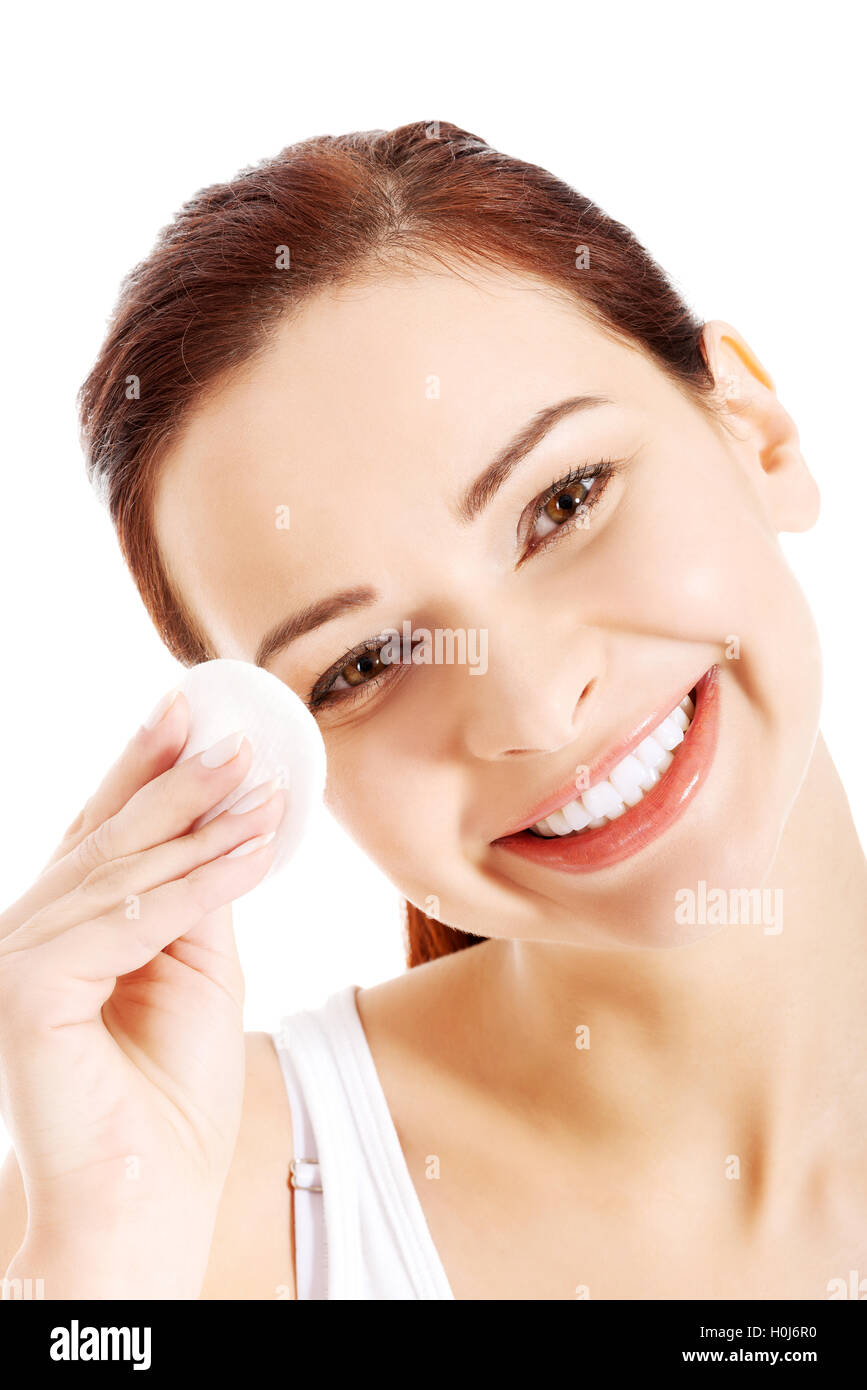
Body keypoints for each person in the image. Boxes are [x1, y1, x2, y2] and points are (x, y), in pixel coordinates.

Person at [1, 121, 865, 1300]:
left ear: (756, 435)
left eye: (565, 500)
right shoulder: (161, 1208)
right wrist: (105, 1262)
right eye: (359, 665)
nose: (536, 706)